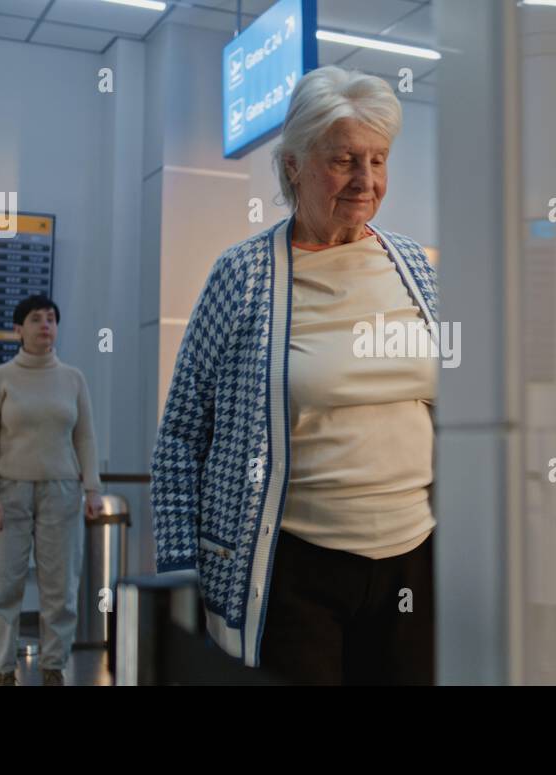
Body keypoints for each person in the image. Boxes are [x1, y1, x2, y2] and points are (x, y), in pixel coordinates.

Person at [151, 65, 439, 684]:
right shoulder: (244, 276)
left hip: (414, 560)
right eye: (343, 160)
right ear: (292, 166)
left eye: (379, 160)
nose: (366, 181)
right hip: (292, 568)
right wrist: (180, 567)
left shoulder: (413, 264)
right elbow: (180, 432)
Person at [0, 294, 105, 686]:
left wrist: (92, 488)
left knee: (60, 587)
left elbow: (86, 438)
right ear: (19, 329)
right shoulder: (1, 377)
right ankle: (2, 668)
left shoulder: (73, 378)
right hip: (9, 492)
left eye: (51, 319)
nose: (45, 325)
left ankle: (53, 667)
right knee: (3, 587)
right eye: (36, 319)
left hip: (62, 492)